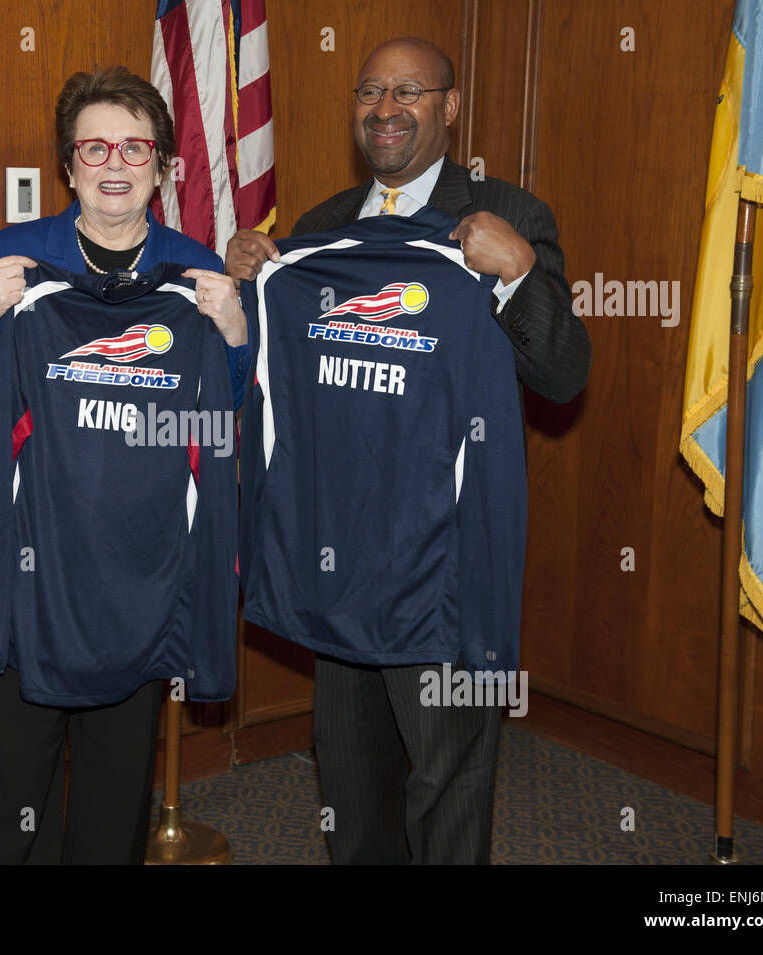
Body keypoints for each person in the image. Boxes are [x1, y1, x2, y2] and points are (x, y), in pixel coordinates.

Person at [225, 36, 591, 864]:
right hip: (340, 563)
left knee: (446, 794)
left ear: (449, 108)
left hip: (444, 575)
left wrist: (519, 273)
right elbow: (264, 379)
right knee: (352, 795)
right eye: (369, 92)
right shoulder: (318, 231)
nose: (384, 109)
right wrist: (245, 281)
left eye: (409, 92)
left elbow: (566, 374)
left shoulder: (510, 215)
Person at [0, 66, 248, 865]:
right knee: (9, 801)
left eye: (135, 147)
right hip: (30, 573)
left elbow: (224, 424)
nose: (115, 163)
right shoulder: (20, 257)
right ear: (69, 166)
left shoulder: (194, 271)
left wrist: (238, 336)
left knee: (113, 803)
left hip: (136, 580)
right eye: (95, 147)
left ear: (165, 167)